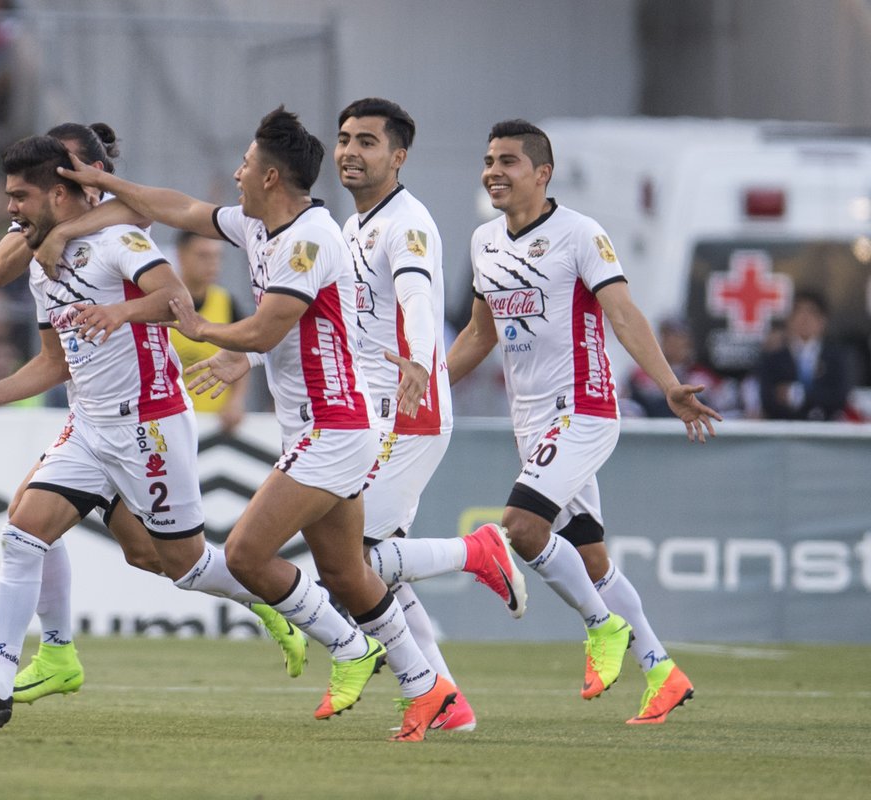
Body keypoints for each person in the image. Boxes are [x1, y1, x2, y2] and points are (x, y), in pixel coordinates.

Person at [60, 107, 458, 742]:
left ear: (271, 177)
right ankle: (427, 687)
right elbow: (180, 209)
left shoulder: (310, 238)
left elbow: (265, 329)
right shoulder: (258, 224)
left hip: (334, 428)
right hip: (319, 426)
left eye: (246, 163)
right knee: (347, 574)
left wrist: (199, 329)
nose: (238, 172)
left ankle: (359, 650)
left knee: (247, 554)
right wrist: (109, 185)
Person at [0, 135, 291, 729]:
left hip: (149, 422)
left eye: (21, 196)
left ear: (72, 186)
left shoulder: (122, 239)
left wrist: (105, 289)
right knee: (24, 532)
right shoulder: (43, 258)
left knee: (173, 561)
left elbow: (167, 281)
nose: (11, 208)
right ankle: (4, 678)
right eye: (9, 197)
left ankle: (282, 599)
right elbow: (42, 344)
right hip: (90, 423)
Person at [442, 119, 720, 724]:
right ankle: (663, 672)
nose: (494, 170)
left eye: (509, 161)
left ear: (542, 174)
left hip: (584, 410)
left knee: (519, 525)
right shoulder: (484, 241)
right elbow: (479, 333)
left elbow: (622, 312)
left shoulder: (580, 234)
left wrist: (669, 385)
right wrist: (428, 387)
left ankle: (602, 627)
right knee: (591, 560)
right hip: (531, 421)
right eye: (489, 159)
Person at [332, 97, 529, 734]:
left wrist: (420, 360)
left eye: (367, 142)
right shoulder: (352, 224)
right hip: (373, 409)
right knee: (372, 567)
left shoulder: (406, 223)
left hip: (406, 406)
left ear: (398, 157)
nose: (350, 152)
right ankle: (448, 700)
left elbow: (418, 296)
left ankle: (476, 552)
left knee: (348, 560)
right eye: (344, 139)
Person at [167, 230, 248, 433]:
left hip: (217, 425)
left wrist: (236, 401)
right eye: (203, 255)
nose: (212, 263)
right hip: (170, 421)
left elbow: (243, 355)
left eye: (217, 256)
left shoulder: (227, 303)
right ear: (180, 255)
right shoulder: (160, 305)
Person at [757, 290, 851, 421]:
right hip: (783, 431)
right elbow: (768, 400)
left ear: (822, 321)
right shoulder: (773, 358)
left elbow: (839, 397)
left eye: (811, 312)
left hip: (827, 431)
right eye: (799, 312)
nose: (804, 318)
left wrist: (798, 395)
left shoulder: (835, 358)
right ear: (789, 319)